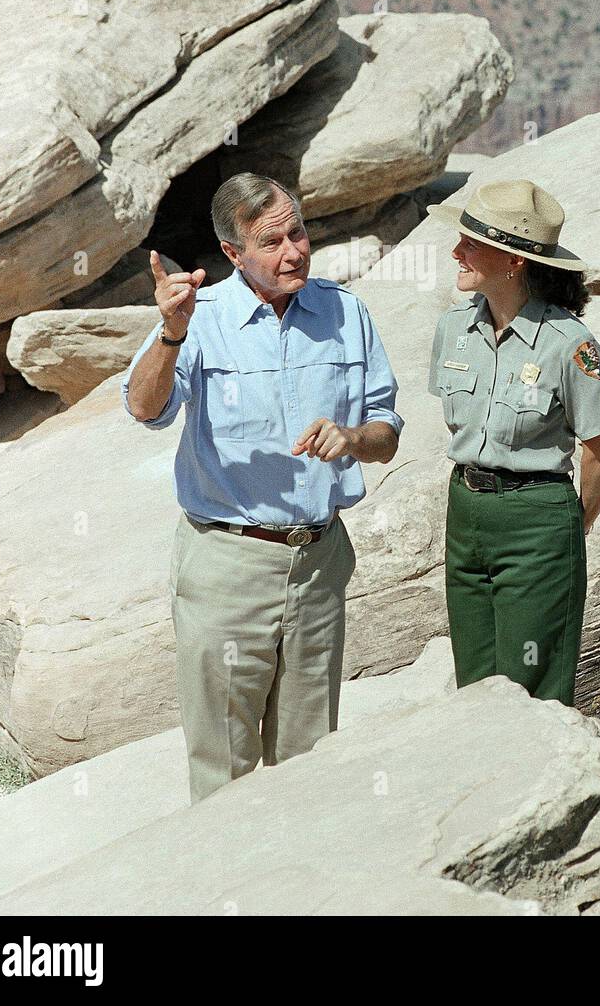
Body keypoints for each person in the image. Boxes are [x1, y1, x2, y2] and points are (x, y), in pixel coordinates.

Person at [120, 174, 403, 804]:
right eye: (271, 242)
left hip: (319, 563)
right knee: (222, 768)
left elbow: (387, 433)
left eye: (298, 231)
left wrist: (353, 439)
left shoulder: (346, 313)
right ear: (232, 254)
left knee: (312, 765)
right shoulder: (198, 317)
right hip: (226, 566)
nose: (294, 251)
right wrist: (170, 334)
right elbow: (144, 408)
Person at [426, 178, 600, 706]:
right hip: (465, 511)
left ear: (514, 262)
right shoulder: (454, 328)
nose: (456, 251)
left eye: (471, 243)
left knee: (531, 688)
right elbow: (460, 426)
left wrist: (567, 530)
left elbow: (599, 451)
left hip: (538, 522)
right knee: (477, 684)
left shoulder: (569, 344)